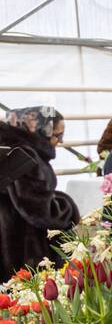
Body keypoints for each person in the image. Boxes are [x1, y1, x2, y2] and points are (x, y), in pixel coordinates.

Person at [0, 106, 79, 279]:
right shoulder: (23, 156)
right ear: (41, 132)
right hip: (25, 248)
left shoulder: (11, 148)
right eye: (57, 135)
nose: (60, 141)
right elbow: (40, 210)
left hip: (13, 241)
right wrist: (68, 206)